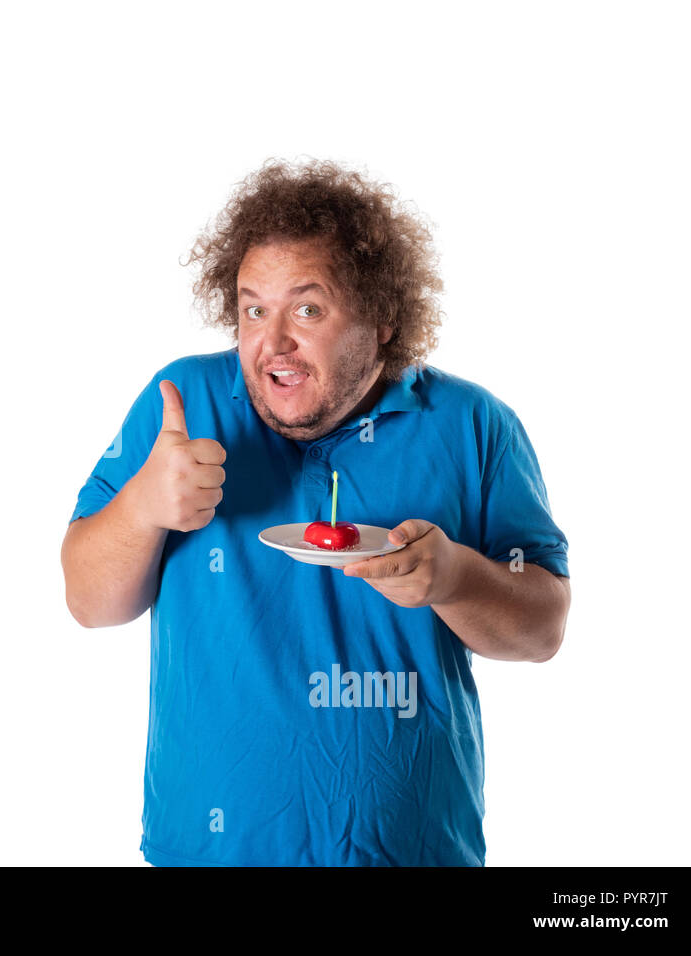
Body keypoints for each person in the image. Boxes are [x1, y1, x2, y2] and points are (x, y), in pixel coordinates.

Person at [60, 158, 571, 867]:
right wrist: (144, 506)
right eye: (252, 309)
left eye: (308, 309)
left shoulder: (473, 425)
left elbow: (543, 629)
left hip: (411, 850)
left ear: (382, 317)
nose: (272, 343)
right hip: (208, 850)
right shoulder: (182, 403)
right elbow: (88, 601)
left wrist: (453, 577)